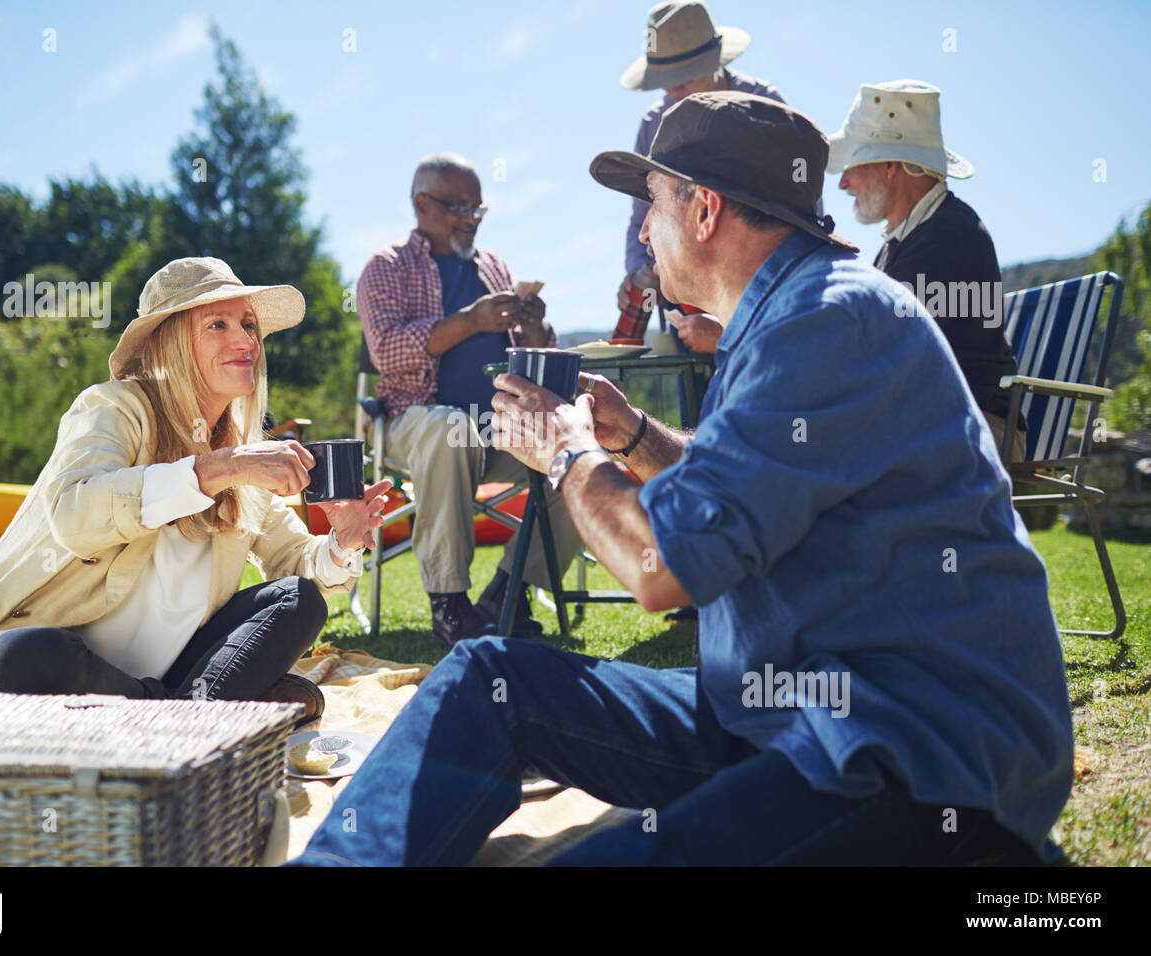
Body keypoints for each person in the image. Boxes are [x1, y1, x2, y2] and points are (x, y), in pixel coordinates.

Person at [290, 93, 1072, 866]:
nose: (640, 229)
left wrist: (567, 455)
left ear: (704, 212)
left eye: (651, 201)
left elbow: (664, 565)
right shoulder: (787, 316)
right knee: (487, 676)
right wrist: (628, 435)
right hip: (778, 712)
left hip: (911, 755)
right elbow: (738, 480)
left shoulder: (828, 321)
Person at [0, 257, 391, 716]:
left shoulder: (239, 457)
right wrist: (221, 467)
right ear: (169, 341)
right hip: (49, 664)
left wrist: (342, 542)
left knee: (298, 599)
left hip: (160, 680)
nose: (246, 341)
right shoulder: (113, 409)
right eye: (218, 323)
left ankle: (171, 718)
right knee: (23, 659)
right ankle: (197, 716)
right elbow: (76, 514)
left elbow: (296, 565)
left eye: (249, 325)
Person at [356, 154, 582, 647]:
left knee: (578, 453)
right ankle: (450, 605)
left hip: (499, 427)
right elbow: (388, 353)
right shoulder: (387, 266)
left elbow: (533, 352)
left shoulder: (493, 266)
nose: (471, 219)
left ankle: (510, 592)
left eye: (477, 208)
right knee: (447, 429)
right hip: (412, 421)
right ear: (422, 204)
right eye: (460, 206)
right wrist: (471, 321)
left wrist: (537, 327)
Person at [829, 79, 1025, 463]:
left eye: (853, 166)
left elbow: (876, 347)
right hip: (937, 419)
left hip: (977, 428)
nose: (842, 183)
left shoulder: (949, 234)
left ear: (889, 166)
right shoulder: (906, 240)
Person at [614, 0, 785, 360]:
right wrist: (638, 273)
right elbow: (639, 220)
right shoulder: (652, 125)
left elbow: (799, 208)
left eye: (684, 77)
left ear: (715, 63)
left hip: (764, 295)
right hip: (686, 305)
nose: (672, 91)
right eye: (665, 82)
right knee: (699, 410)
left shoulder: (765, 106)